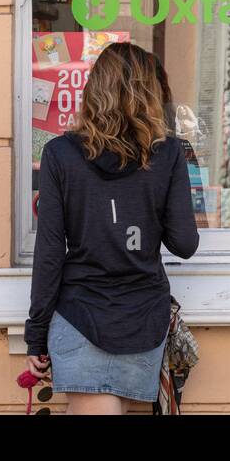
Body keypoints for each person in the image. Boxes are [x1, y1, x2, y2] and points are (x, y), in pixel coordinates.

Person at [24, 42, 200, 415]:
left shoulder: (60, 154)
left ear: (94, 89)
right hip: (143, 317)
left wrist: (35, 335)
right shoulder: (168, 154)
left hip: (79, 313)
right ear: (152, 93)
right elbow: (184, 243)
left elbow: (50, 253)